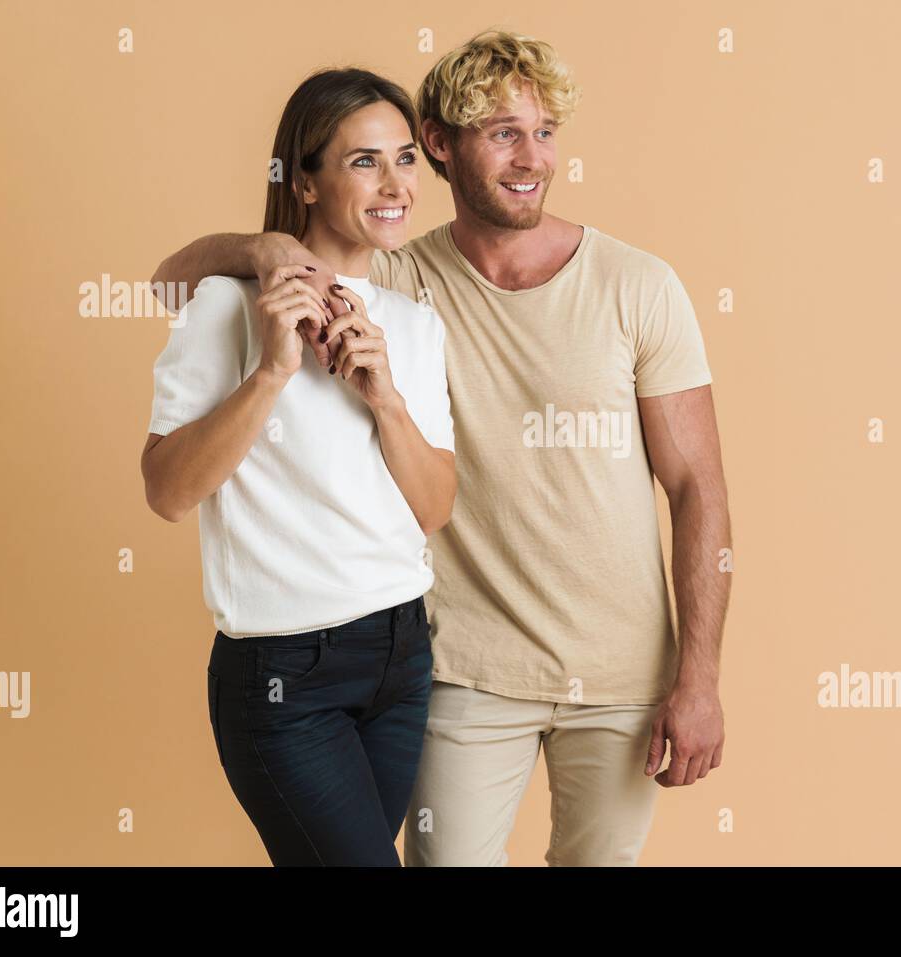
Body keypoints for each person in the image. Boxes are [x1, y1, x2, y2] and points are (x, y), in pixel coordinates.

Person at [152, 30, 730, 866]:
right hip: (462, 671)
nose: (531, 157)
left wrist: (700, 679)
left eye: (544, 132)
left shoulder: (638, 287)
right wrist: (262, 246)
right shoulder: (395, 281)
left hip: (620, 678)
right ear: (443, 144)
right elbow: (180, 283)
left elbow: (698, 487)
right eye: (502, 133)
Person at [141, 68, 456, 866]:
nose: (395, 184)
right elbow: (168, 492)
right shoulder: (225, 304)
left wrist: (384, 397)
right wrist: (272, 373)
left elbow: (436, 509)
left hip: (401, 654)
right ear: (305, 181)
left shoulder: (415, 327)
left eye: (406, 158)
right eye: (363, 162)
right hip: (285, 673)